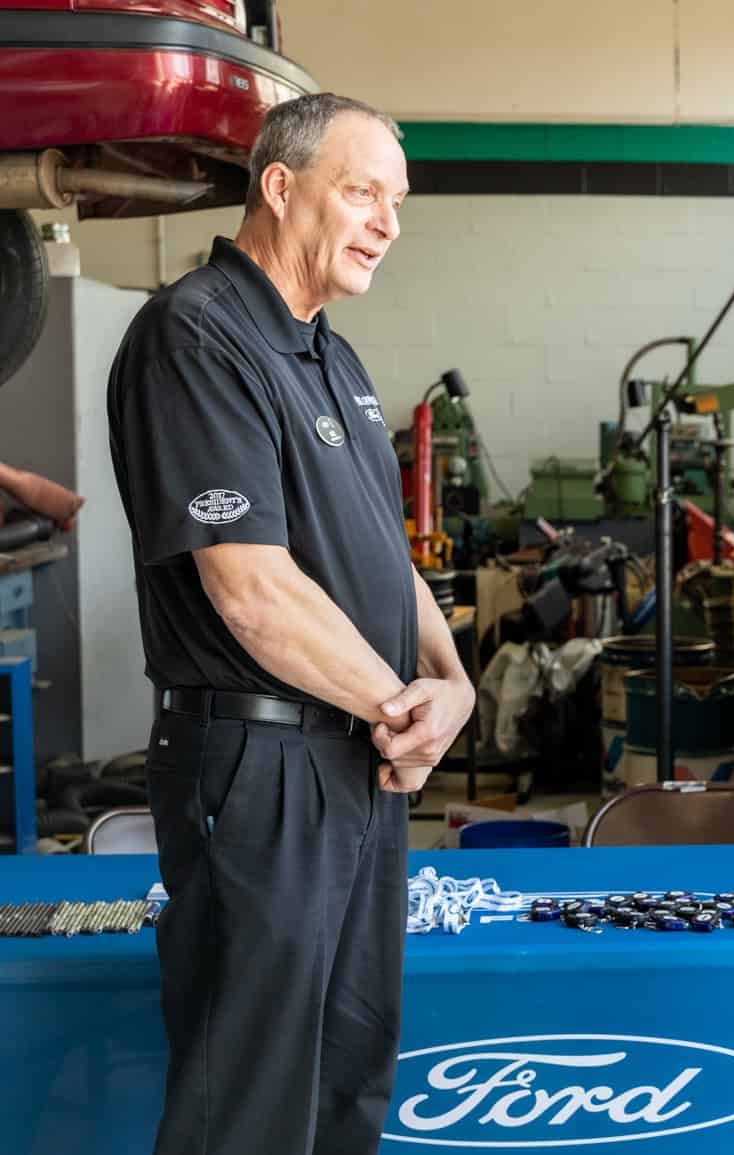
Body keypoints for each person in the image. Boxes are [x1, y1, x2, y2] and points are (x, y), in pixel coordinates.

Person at [107, 93, 475, 1155]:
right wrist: (400, 708)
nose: (387, 223)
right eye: (362, 192)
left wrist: (447, 682)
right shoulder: (197, 335)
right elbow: (249, 590)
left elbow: (379, 555)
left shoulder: (333, 357)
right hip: (258, 765)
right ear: (279, 185)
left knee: (351, 1075)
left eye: (396, 202)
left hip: (355, 758)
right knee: (253, 1100)